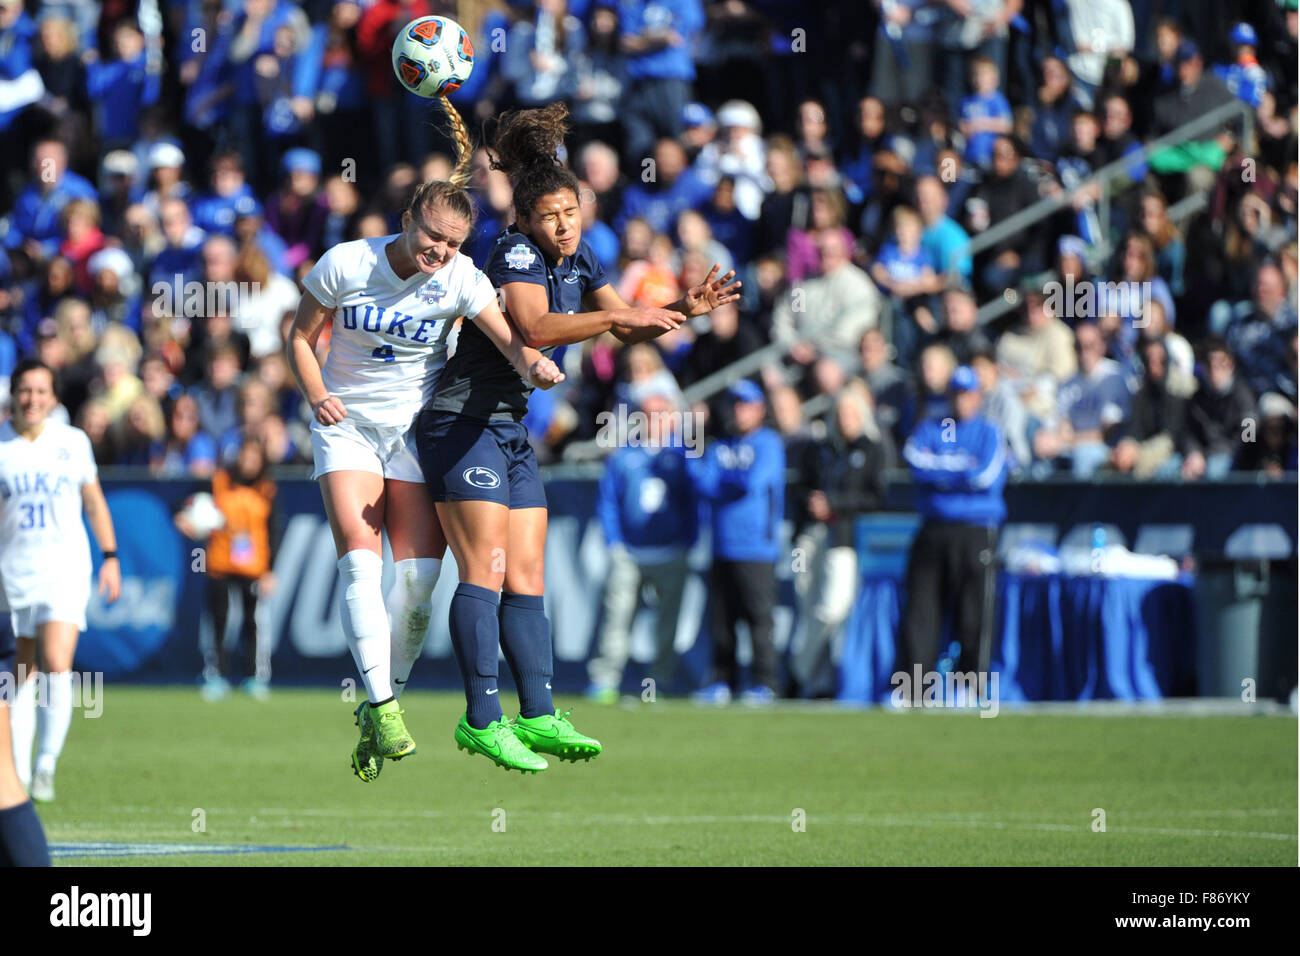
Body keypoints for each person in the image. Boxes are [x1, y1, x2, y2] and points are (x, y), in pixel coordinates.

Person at [416, 102, 738, 772]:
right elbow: (534, 328)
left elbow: (624, 321)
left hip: (507, 429)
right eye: (551, 217)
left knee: (527, 574)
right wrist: (620, 317)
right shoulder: (511, 251)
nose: (564, 226)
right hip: (460, 421)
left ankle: (536, 715)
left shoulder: (582, 256)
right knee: (487, 569)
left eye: (572, 212)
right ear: (527, 220)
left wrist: (681, 309)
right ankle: (482, 718)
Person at [285, 95, 561, 784]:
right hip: (345, 425)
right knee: (359, 562)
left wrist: (537, 365)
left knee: (418, 585)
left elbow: (512, 342)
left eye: (452, 244)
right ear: (407, 221)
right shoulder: (346, 264)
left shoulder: (463, 279)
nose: (438, 252)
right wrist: (317, 391)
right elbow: (297, 335)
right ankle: (380, 706)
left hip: (415, 430)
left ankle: (386, 705)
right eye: (430, 236)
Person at [1, 360, 121, 803]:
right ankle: (14, 767)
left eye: (41, 391)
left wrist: (110, 556)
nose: (32, 399)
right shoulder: (2, 446)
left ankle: (46, 764)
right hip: (10, 574)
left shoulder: (72, 442)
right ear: (13, 395)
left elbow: (93, 502)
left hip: (64, 568)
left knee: (56, 660)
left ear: (53, 398)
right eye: (25, 391)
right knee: (18, 674)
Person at [586, 391, 697, 702]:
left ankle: (660, 682)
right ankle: (605, 679)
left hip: (671, 550)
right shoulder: (624, 456)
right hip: (631, 552)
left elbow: (694, 501)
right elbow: (608, 502)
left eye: (662, 414)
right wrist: (615, 543)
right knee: (617, 619)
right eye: (649, 414)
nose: (655, 421)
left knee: (667, 623)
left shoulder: (683, 455)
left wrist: (689, 541)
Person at [899, 365, 1007, 686]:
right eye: (956, 394)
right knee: (922, 608)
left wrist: (941, 470)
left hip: (975, 529)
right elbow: (916, 462)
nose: (961, 401)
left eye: (967, 394)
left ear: (977, 397)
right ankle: (915, 688)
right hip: (933, 526)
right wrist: (959, 469)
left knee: (974, 611)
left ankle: (970, 686)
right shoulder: (932, 427)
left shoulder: (989, 431)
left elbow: (984, 476)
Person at [691, 380, 785, 706]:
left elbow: (752, 482)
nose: (739, 411)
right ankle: (722, 681)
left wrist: (722, 482)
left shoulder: (769, 443)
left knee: (759, 620)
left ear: (760, 409)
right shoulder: (721, 445)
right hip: (722, 544)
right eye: (735, 404)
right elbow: (701, 481)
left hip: (757, 546)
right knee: (722, 622)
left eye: (746, 404)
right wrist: (723, 482)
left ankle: (765, 683)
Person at [177, 435, 278, 699]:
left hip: (253, 567)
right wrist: (182, 516)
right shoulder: (218, 482)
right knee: (218, 621)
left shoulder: (267, 489)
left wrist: (270, 570)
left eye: (255, 457)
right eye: (246, 455)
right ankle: (215, 675)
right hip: (220, 563)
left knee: (252, 622)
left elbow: (274, 530)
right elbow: (184, 500)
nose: (250, 462)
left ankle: (254, 677)